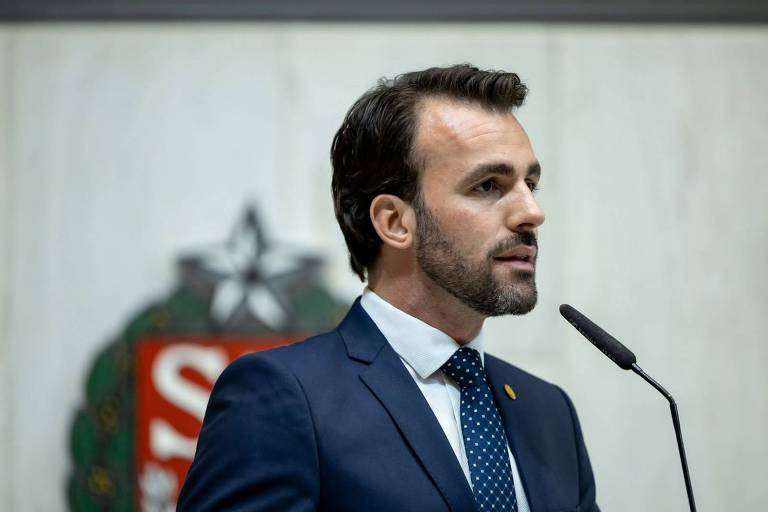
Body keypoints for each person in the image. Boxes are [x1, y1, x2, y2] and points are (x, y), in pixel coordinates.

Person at [178, 64, 599, 512]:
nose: (532, 212)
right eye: (488, 186)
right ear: (396, 222)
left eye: (530, 183)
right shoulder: (284, 397)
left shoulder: (549, 412)